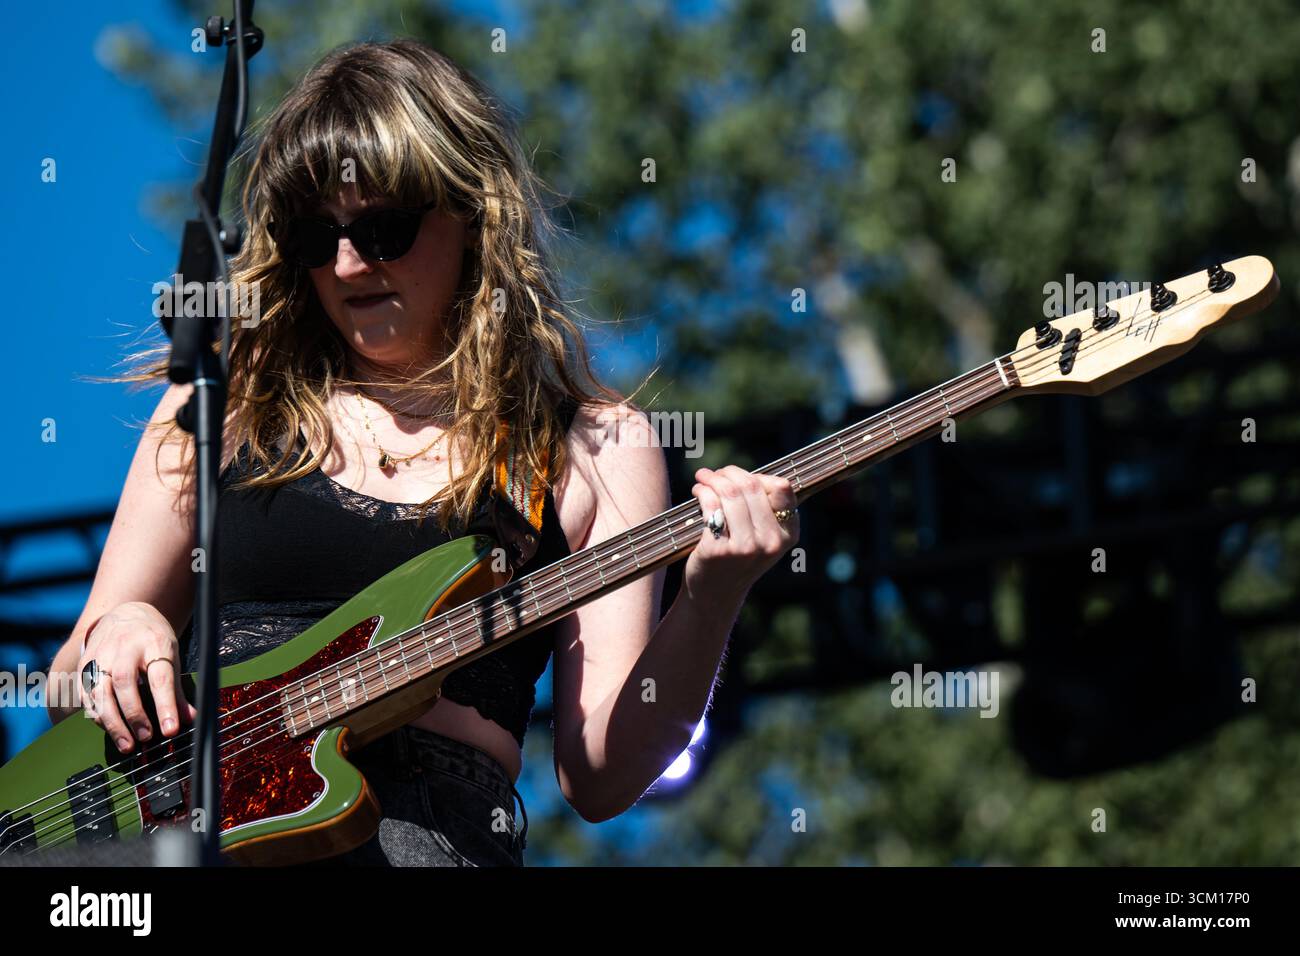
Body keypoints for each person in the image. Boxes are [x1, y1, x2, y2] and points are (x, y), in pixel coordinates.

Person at [44, 38, 799, 866]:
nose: (344, 263)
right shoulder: (225, 401)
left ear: (474, 215)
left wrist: (712, 598)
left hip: (425, 836)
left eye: (383, 229)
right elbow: (67, 681)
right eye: (313, 235)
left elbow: (600, 776)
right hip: (183, 828)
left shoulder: (590, 446)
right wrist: (120, 628)